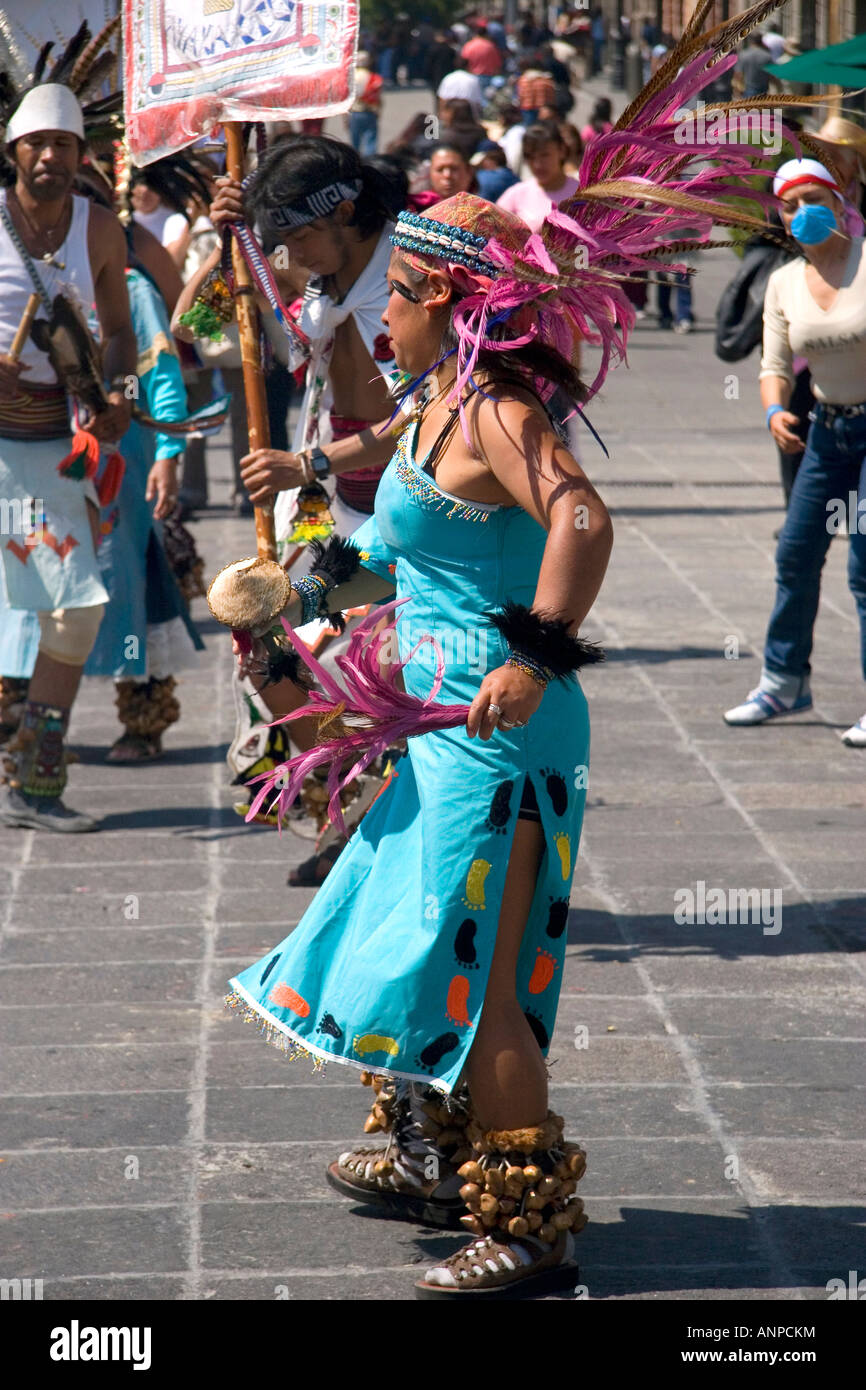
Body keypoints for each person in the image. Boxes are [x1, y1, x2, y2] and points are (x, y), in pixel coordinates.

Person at [224, 191, 613, 1298]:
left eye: (389, 296)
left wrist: (533, 656)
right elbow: (404, 552)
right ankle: (431, 1156)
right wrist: (298, 592)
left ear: (438, 297)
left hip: (501, 736)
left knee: (486, 974)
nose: (374, 316)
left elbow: (582, 519)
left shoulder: (494, 411)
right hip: (431, 727)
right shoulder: (433, 400)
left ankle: (529, 1217)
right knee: (404, 937)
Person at [174, 136, 402, 876]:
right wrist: (226, 240)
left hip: (410, 522)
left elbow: (431, 410)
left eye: (300, 234)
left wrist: (306, 462)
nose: (294, 255)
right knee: (262, 632)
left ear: (345, 213)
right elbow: (198, 329)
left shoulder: (416, 271)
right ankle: (346, 797)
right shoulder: (319, 276)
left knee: (362, 669)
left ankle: (371, 812)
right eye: (285, 241)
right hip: (326, 509)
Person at [0, 83, 136, 831]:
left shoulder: (101, 229)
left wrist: (117, 388)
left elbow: (118, 330)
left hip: (55, 450)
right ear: (12, 151)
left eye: (63, 145)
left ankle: (34, 778)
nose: (50, 156)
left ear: (83, 155)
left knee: (77, 608)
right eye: (36, 144)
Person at [723, 160, 866, 746]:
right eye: (789, 202)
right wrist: (774, 410)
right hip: (827, 431)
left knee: (865, 569)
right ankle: (784, 682)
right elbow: (773, 367)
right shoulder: (784, 280)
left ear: (839, 202)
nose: (802, 209)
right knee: (795, 553)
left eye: (814, 198)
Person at [496, 122, 580, 230]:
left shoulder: (584, 194)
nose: (537, 164)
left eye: (544, 155)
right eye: (530, 157)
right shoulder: (515, 195)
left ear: (562, 151)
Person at [347, 51, 383, 158]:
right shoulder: (374, 78)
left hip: (354, 112)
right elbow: (378, 99)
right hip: (370, 111)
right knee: (371, 140)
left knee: (355, 142)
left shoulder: (350, 77)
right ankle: (370, 164)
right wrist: (379, 111)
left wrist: (344, 117)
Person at [516, 55, 557, 127]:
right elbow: (552, 97)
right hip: (543, 109)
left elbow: (521, 95)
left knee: (529, 130)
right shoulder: (546, 80)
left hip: (527, 108)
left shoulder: (524, 79)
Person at [736, 32, 774, 99]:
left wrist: (738, 92)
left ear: (750, 41)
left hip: (748, 90)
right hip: (763, 91)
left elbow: (739, 74)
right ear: (761, 41)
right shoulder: (767, 56)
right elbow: (772, 75)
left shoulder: (743, 55)